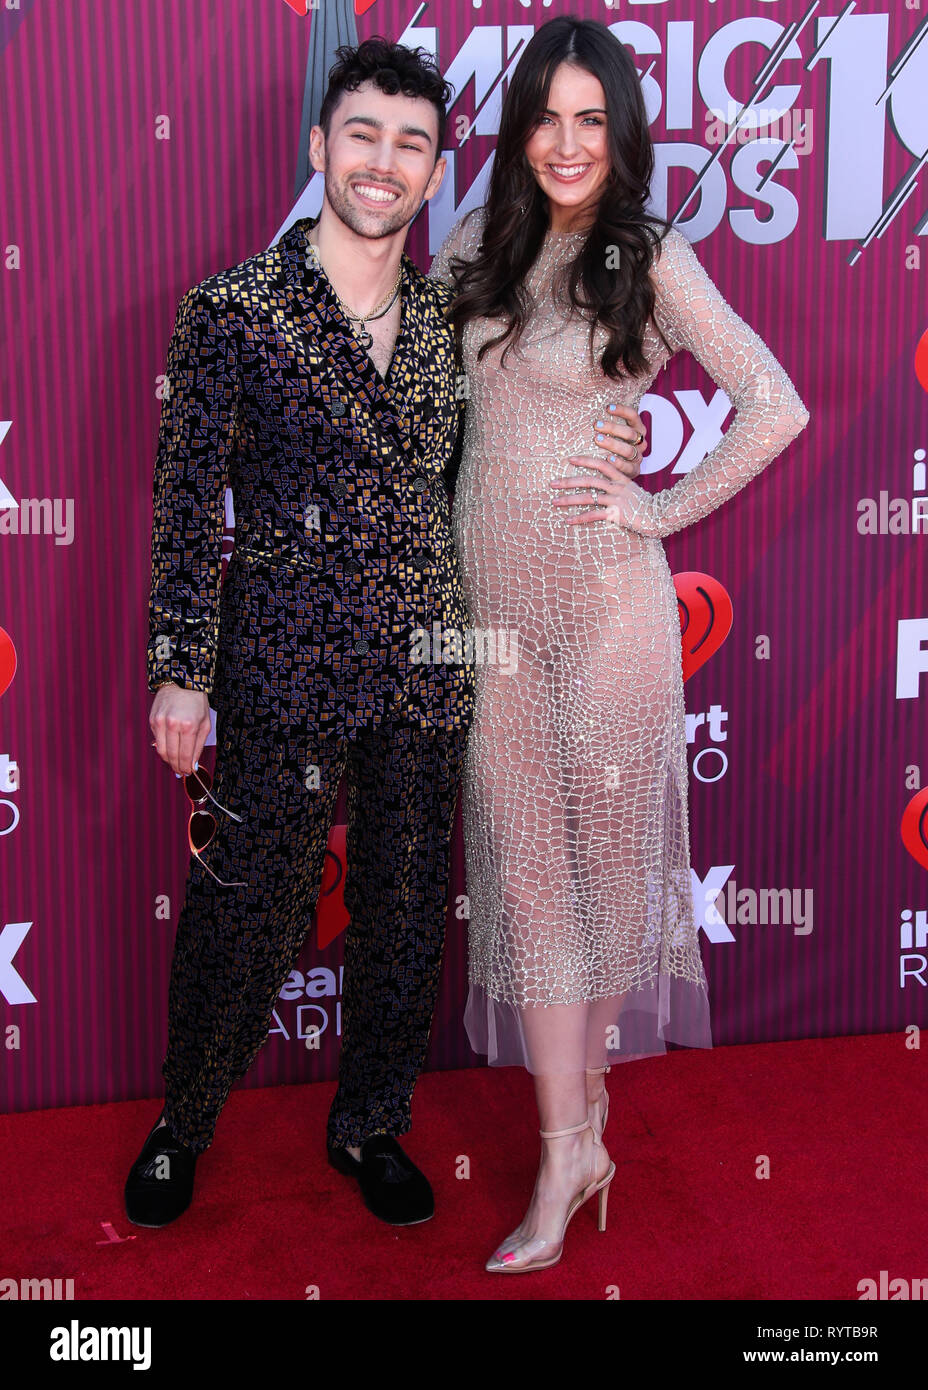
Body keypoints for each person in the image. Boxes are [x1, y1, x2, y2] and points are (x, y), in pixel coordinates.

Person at [429, 15, 810, 1272]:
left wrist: (658, 499)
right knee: (524, 874)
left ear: (623, 133)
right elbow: (415, 401)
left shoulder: (648, 255)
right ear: (520, 127)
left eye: (594, 119)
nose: (568, 141)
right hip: (488, 622)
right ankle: (571, 1139)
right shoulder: (475, 251)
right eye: (547, 115)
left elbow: (772, 401)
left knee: (596, 875)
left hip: (607, 613)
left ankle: (568, 1148)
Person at [127, 38, 476, 1231]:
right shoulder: (231, 311)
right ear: (321, 146)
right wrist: (182, 671)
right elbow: (183, 506)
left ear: (435, 174)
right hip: (279, 660)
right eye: (364, 136)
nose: (384, 164)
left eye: (411, 145)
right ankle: (184, 1118)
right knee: (246, 903)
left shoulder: (447, 324)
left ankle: (371, 1123)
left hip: (427, 665)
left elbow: (479, 484)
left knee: (403, 906)